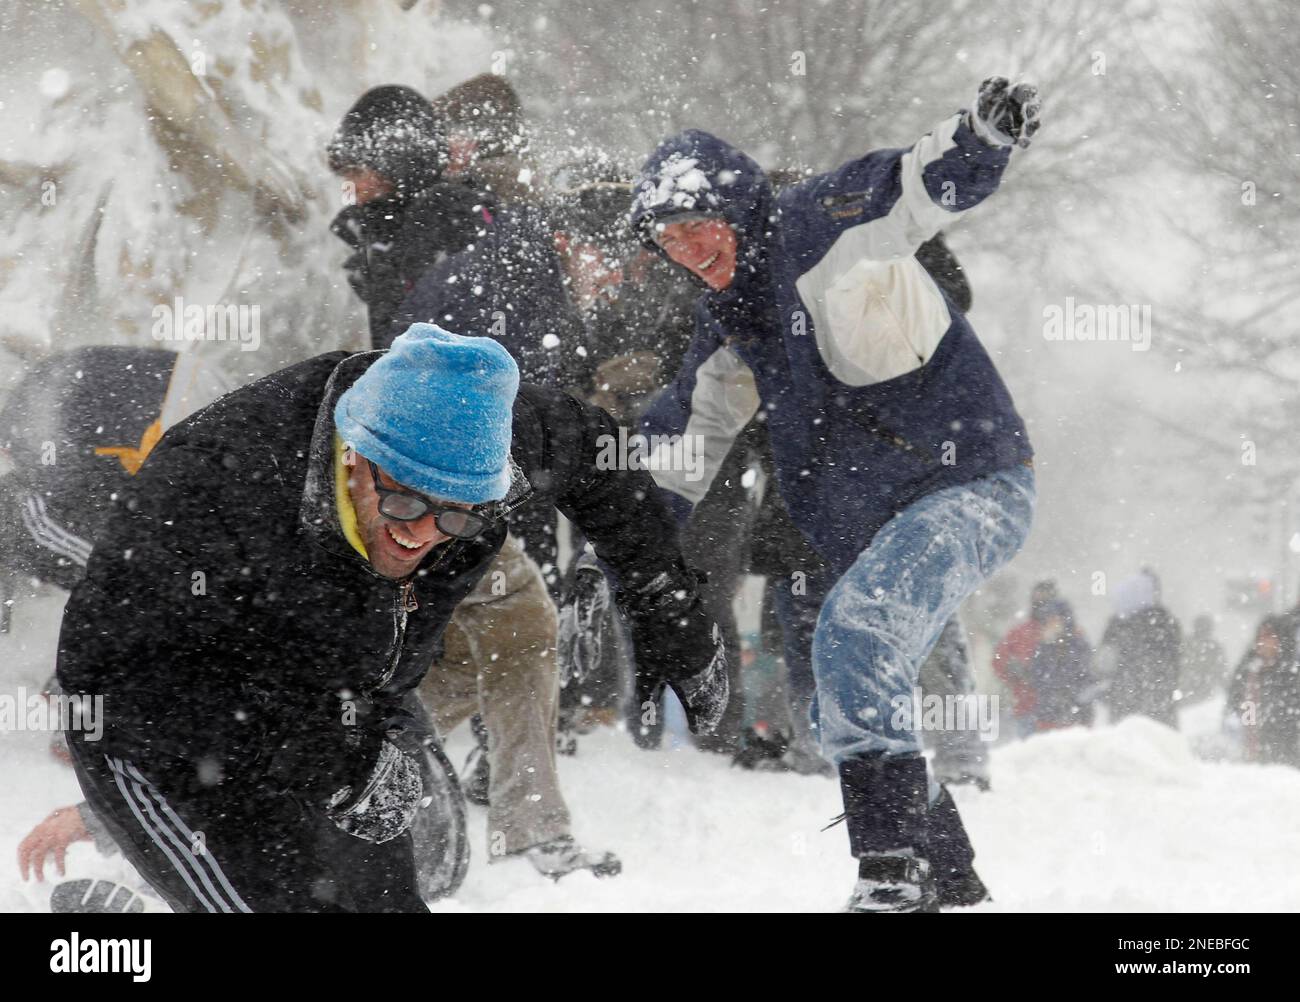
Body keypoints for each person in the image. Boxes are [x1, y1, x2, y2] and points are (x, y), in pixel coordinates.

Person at [56, 324, 727, 913]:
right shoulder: (213, 486)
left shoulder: (483, 423)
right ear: (355, 452)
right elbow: (121, 684)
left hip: (345, 700)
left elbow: (598, 456)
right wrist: (334, 755)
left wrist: (668, 610)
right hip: (165, 737)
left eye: (457, 516)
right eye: (404, 502)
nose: (422, 535)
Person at [629, 76, 1042, 911]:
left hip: (970, 481)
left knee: (856, 642)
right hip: (860, 523)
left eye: (701, 228)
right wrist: (577, 484)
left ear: (738, 208)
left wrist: (981, 140)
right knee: (834, 705)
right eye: (671, 242)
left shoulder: (820, 225)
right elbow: (679, 452)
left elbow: (914, 187)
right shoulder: (728, 327)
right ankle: (949, 875)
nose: (692, 251)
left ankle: (891, 874)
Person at [327, 85, 493, 348]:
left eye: (358, 172)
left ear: (395, 163)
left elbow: (448, 325)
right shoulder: (378, 222)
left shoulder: (446, 214)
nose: (350, 186)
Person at [1096, 568, 1182, 728]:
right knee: (1156, 747)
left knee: (1126, 747)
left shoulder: (1118, 623)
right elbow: (1173, 664)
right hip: (1158, 704)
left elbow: (1103, 662)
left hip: (1125, 702)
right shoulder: (1164, 622)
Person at [1225, 615, 1300, 767]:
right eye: (1261, 636)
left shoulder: (1291, 673)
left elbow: (1291, 711)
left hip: (1287, 755)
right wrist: (1248, 728)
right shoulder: (1249, 670)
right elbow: (1241, 705)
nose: (1263, 642)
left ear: (1280, 641)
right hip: (1255, 753)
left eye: (1269, 636)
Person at [992, 580, 1061, 736]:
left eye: (1046, 598)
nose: (1042, 603)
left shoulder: (1066, 633)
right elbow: (998, 661)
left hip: (1058, 711)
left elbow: (1078, 665)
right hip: (1027, 707)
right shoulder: (1020, 632)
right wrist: (1013, 671)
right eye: (1038, 598)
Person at [1027, 598, 1093, 730]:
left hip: (1076, 714)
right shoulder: (1043, 646)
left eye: (1054, 619)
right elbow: (1037, 676)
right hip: (1049, 714)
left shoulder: (1077, 644)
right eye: (1048, 620)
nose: (1050, 624)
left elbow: (1082, 674)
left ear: (1065, 620)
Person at [1182, 614, 1227, 705]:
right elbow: (1221, 671)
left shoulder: (1186, 643)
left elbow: (1221, 670)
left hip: (1200, 691)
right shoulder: (1186, 643)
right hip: (1198, 690)